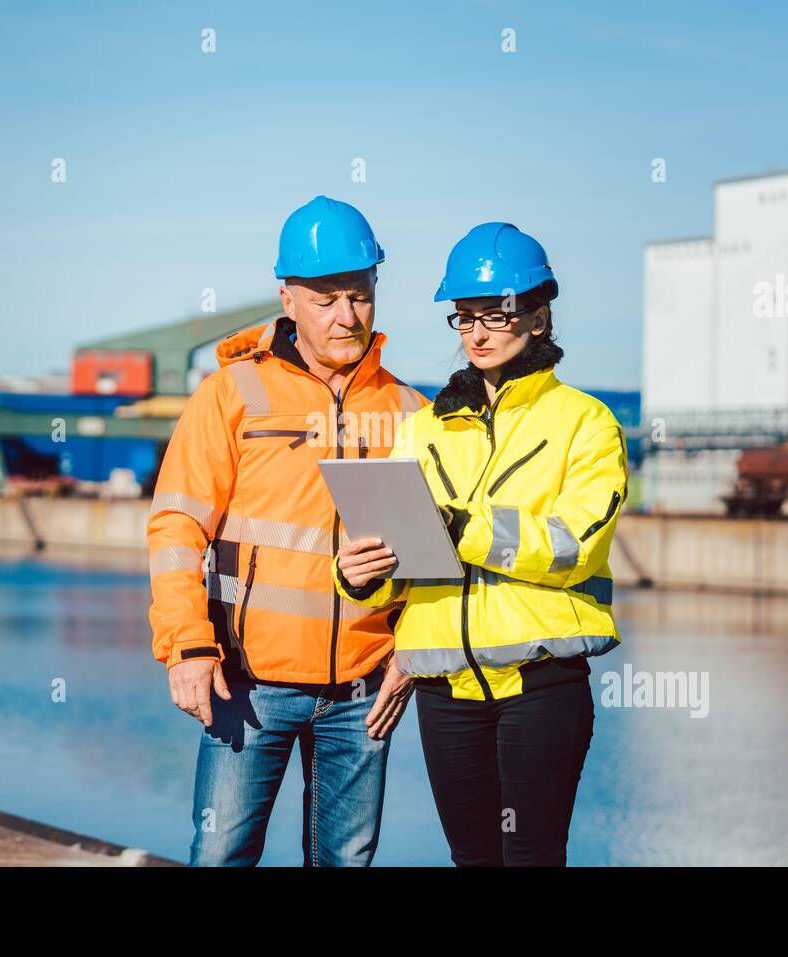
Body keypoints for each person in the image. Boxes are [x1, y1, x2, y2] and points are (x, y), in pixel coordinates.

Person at [333, 222, 628, 866]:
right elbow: (404, 564)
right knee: (473, 861)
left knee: (530, 858)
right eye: (464, 319)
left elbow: (576, 546)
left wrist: (466, 529)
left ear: (539, 316)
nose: (479, 333)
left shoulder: (585, 422)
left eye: (497, 314)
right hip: (443, 690)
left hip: (540, 685)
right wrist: (360, 573)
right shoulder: (423, 428)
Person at [147, 195, 428, 866]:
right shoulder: (233, 395)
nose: (346, 315)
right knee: (221, 853)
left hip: (362, 691)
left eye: (359, 295)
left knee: (345, 861)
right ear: (287, 297)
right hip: (248, 684)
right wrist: (187, 646)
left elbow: (426, 560)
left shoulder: (408, 409)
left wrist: (411, 654)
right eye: (326, 298)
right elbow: (176, 526)